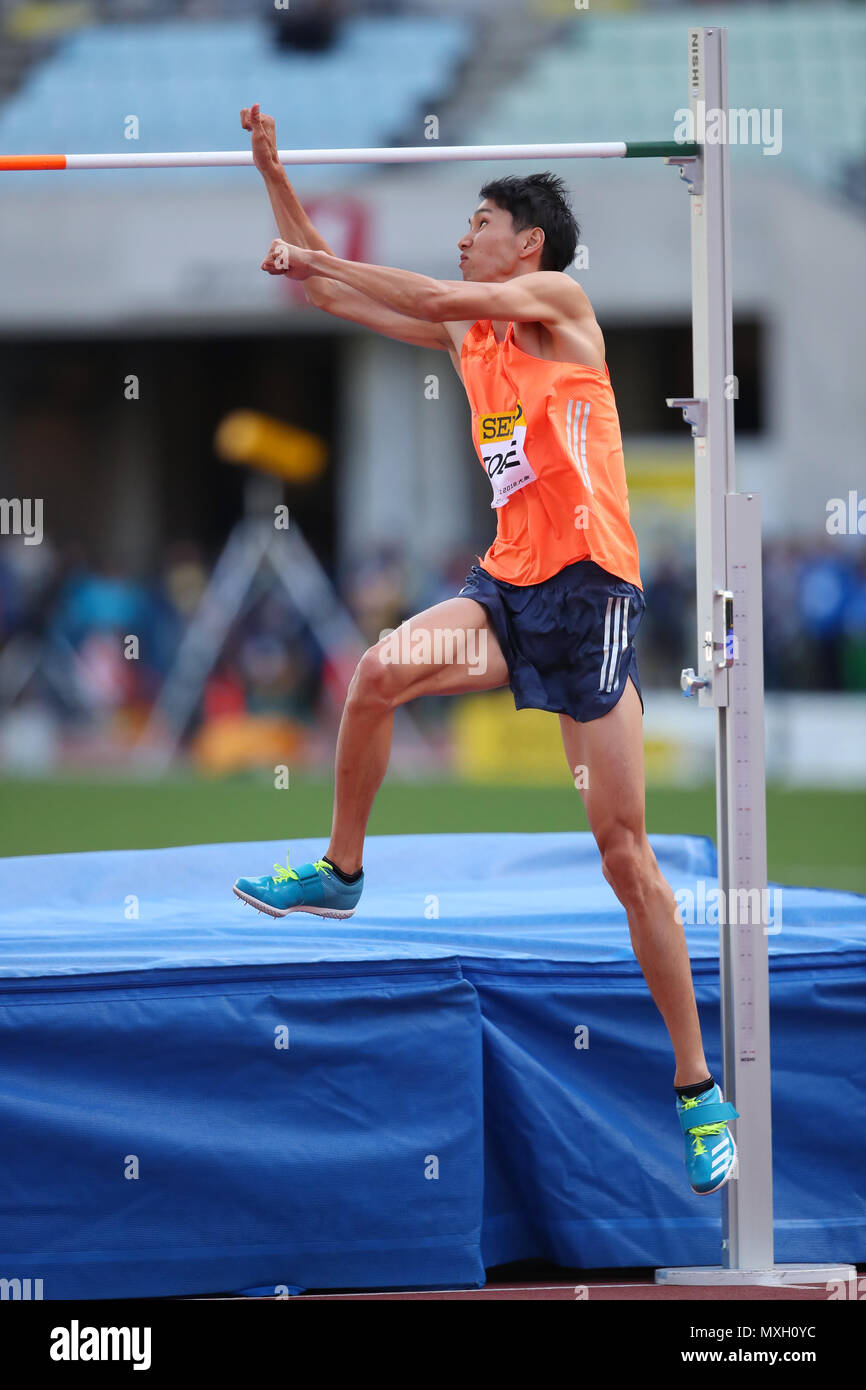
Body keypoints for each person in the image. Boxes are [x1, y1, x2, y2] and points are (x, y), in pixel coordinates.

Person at [232, 105, 738, 1195]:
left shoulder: (557, 309)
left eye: (477, 221)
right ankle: (341, 869)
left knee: (620, 851)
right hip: (507, 587)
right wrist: (278, 177)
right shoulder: (472, 341)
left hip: (590, 595)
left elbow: (432, 290)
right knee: (374, 675)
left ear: (527, 246)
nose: (460, 238)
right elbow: (322, 290)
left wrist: (321, 247)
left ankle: (697, 1089)